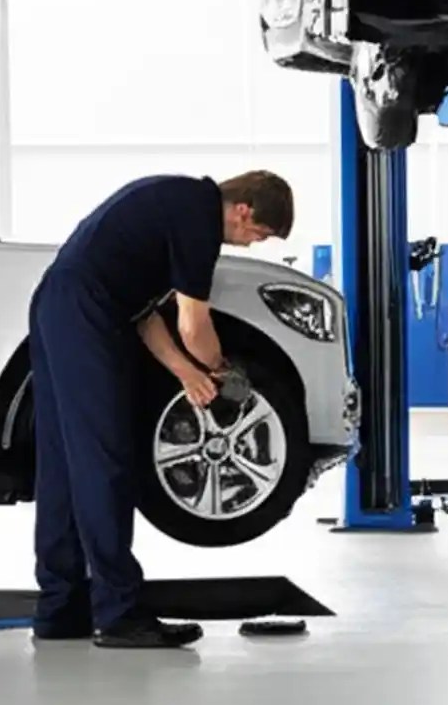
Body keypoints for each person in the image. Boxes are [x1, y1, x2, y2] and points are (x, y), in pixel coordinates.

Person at [27, 171, 294, 648]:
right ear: (244, 211)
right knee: (105, 462)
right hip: (86, 314)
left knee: (65, 466)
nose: (253, 245)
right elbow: (194, 326)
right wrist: (225, 374)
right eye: (260, 235)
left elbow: (144, 314)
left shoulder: (176, 202)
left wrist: (185, 374)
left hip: (59, 304)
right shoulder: (198, 221)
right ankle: (119, 614)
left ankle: (60, 609)